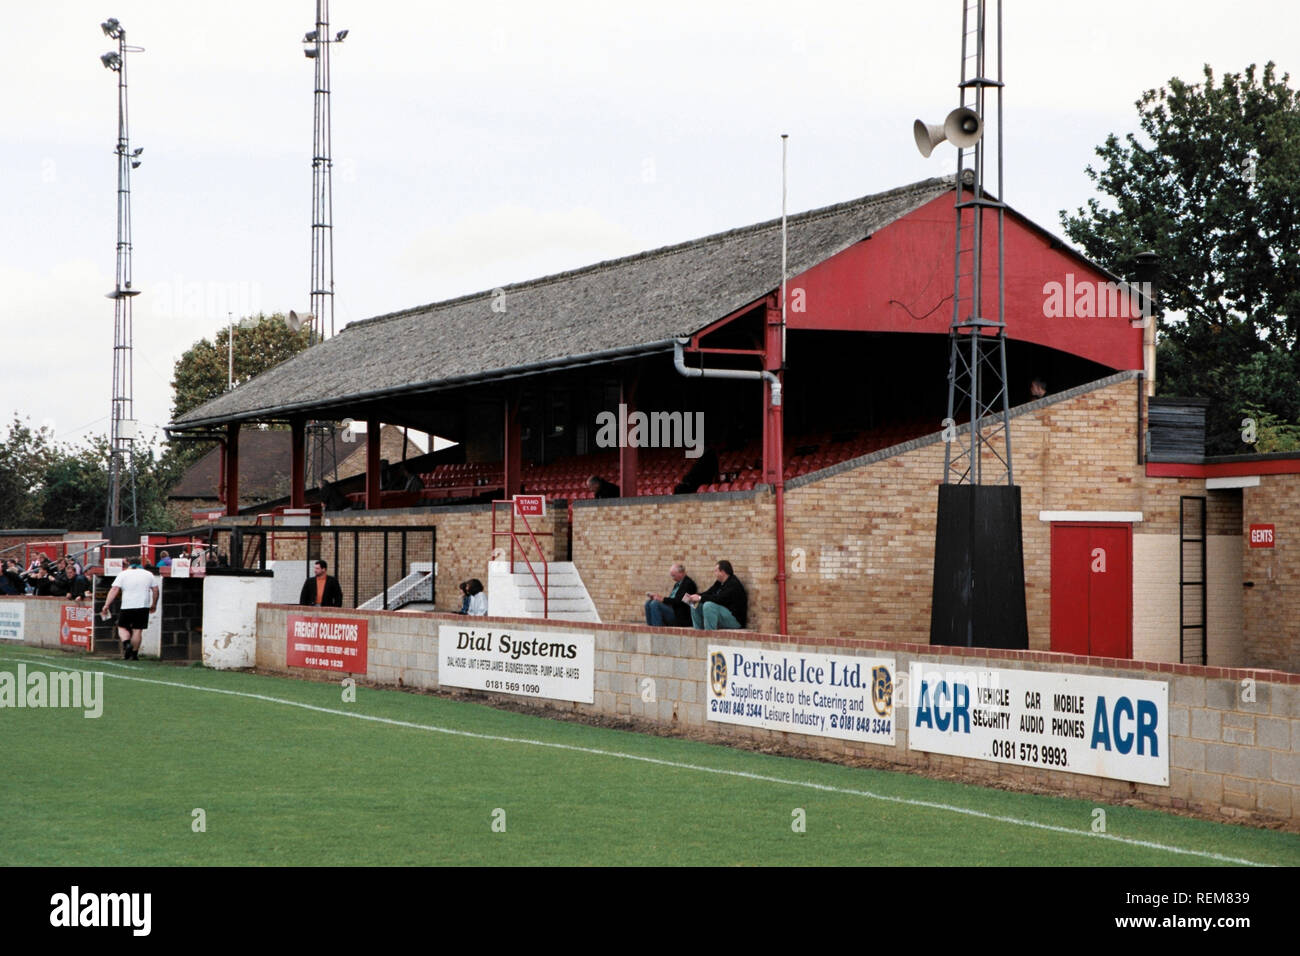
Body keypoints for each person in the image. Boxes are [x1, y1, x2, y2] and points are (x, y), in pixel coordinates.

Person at [100, 558, 159, 660]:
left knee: (122, 627)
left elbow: (114, 589)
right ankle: (134, 655)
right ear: (141, 563)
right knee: (137, 630)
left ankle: (127, 644)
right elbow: (155, 590)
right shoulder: (148, 574)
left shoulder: (123, 574)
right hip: (143, 605)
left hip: (127, 605)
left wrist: (106, 605)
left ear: (129, 564)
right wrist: (154, 604)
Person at [686, 560, 748, 630]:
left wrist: (700, 598)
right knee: (694, 604)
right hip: (723, 615)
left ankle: (709, 634)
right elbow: (709, 592)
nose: (714, 573)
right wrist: (694, 596)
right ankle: (698, 632)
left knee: (709, 605)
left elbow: (719, 599)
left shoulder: (733, 584)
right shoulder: (719, 582)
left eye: (716, 571)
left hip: (734, 620)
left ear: (723, 572)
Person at [644, 563, 698, 627]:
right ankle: (650, 628)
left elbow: (680, 601)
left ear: (681, 573)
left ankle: (657, 630)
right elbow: (672, 599)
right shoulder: (677, 584)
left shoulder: (689, 584)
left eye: (674, 576)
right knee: (648, 603)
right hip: (671, 609)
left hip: (679, 614)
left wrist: (663, 599)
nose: (673, 578)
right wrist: (659, 598)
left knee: (655, 604)